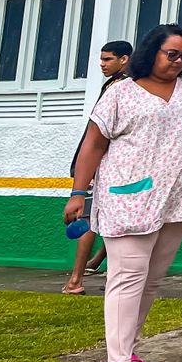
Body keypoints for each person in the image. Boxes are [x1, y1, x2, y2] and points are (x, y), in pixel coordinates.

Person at [64, 25, 182, 362]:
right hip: (128, 197)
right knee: (128, 277)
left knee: (151, 280)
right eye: (172, 55)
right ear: (152, 53)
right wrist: (77, 192)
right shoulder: (121, 93)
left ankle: (129, 347)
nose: (179, 62)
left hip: (177, 197)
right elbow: (93, 144)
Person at [63, 40, 131, 296]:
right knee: (112, 219)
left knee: (89, 219)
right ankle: (97, 263)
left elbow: (100, 136)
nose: (102, 65)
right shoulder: (122, 84)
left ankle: (75, 280)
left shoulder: (121, 86)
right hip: (112, 165)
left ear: (124, 59)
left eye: (107, 59)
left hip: (106, 165)